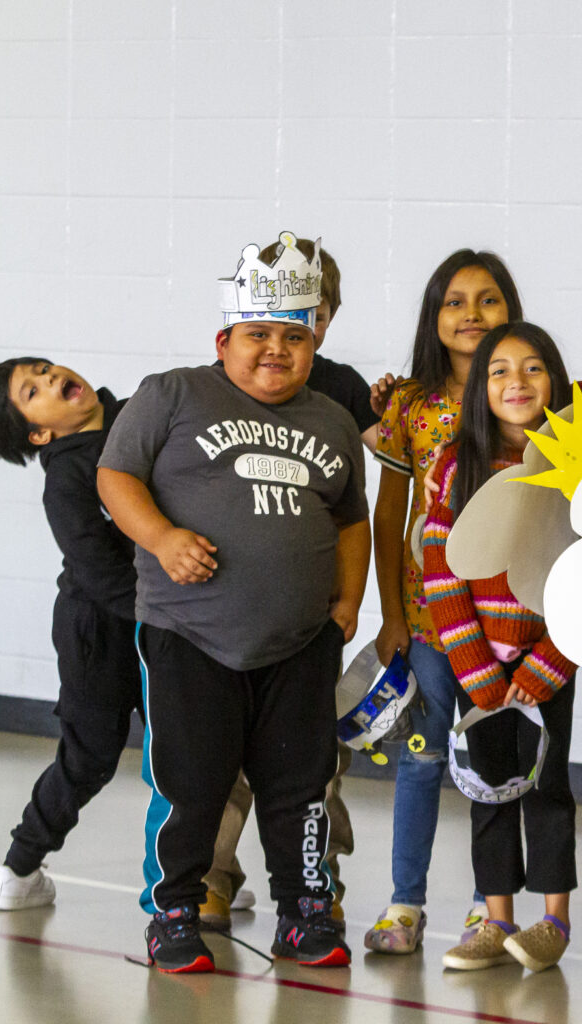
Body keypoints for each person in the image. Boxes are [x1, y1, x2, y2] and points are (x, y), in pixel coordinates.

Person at [96, 233, 370, 972]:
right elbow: (115, 476)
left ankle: (303, 913)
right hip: (190, 635)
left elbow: (351, 518)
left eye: (293, 337)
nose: (276, 349)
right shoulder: (173, 394)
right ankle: (174, 913)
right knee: (192, 784)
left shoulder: (333, 420)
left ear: (314, 343)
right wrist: (161, 537)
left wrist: (349, 599)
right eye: (258, 335)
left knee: (301, 788)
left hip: (301, 642)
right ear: (224, 341)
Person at [201, 236, 380, 933]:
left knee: (313, 761)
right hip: (225, 611)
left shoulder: (341, 389)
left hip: (310, 613)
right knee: (220, 755)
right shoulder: (218, 380)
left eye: (311, 314)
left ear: (327, 318)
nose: (286, 334)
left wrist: (351, 599)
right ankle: (213, 876)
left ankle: (317, 881)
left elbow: (386, 473)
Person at [366, 249, 522, 955]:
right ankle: (405, 903)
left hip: (506, 622)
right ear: (433, 317)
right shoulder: (409, 405)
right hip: (429, 618)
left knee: (492, 762)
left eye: (487, 299)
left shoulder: (526, 392)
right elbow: (388, 513)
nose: (471, 314)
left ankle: (489, 907)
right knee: (422, 757)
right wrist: (391, 614)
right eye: (454, 302)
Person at [420, 322, 579, 974]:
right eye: (500, 371)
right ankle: (496, 918)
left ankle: (553, 921)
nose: (518, 382)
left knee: (548, 789)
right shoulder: (455, 465)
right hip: (479, 665)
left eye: (533, 367)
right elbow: (440, 570)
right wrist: (475, 668)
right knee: (489, 791)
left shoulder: (579, 465)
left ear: (555, 380)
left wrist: (550, 663)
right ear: (480, 387)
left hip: (548, 665)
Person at [0, 360, 139, 912]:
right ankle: (20, 866)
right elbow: (102, 576)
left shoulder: (137, 417)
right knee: (90, 756)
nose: (52, 378)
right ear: (39, 434)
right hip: (97, 630)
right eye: (33, 391)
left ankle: (204, 880)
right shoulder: (66, 480)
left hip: (163, 619)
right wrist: (173, 617)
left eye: (44, 369)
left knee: (187, 750)